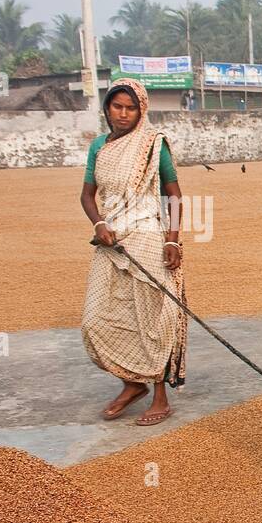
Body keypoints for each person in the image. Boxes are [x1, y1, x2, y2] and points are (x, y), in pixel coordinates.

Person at [79, 77, 187, 426]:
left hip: (146, 237)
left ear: (142, 110)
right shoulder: (99, 146)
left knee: (150, 317)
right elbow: (87, 195)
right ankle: (131, 384)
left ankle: (159, 396)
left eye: (131, 108)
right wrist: (98, 224)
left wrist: (172, 240)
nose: (123, 114)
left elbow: (173, 194)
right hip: (110, 241)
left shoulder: (154, 145)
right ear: (107, 108)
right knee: (98, 317)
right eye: (117, 107)